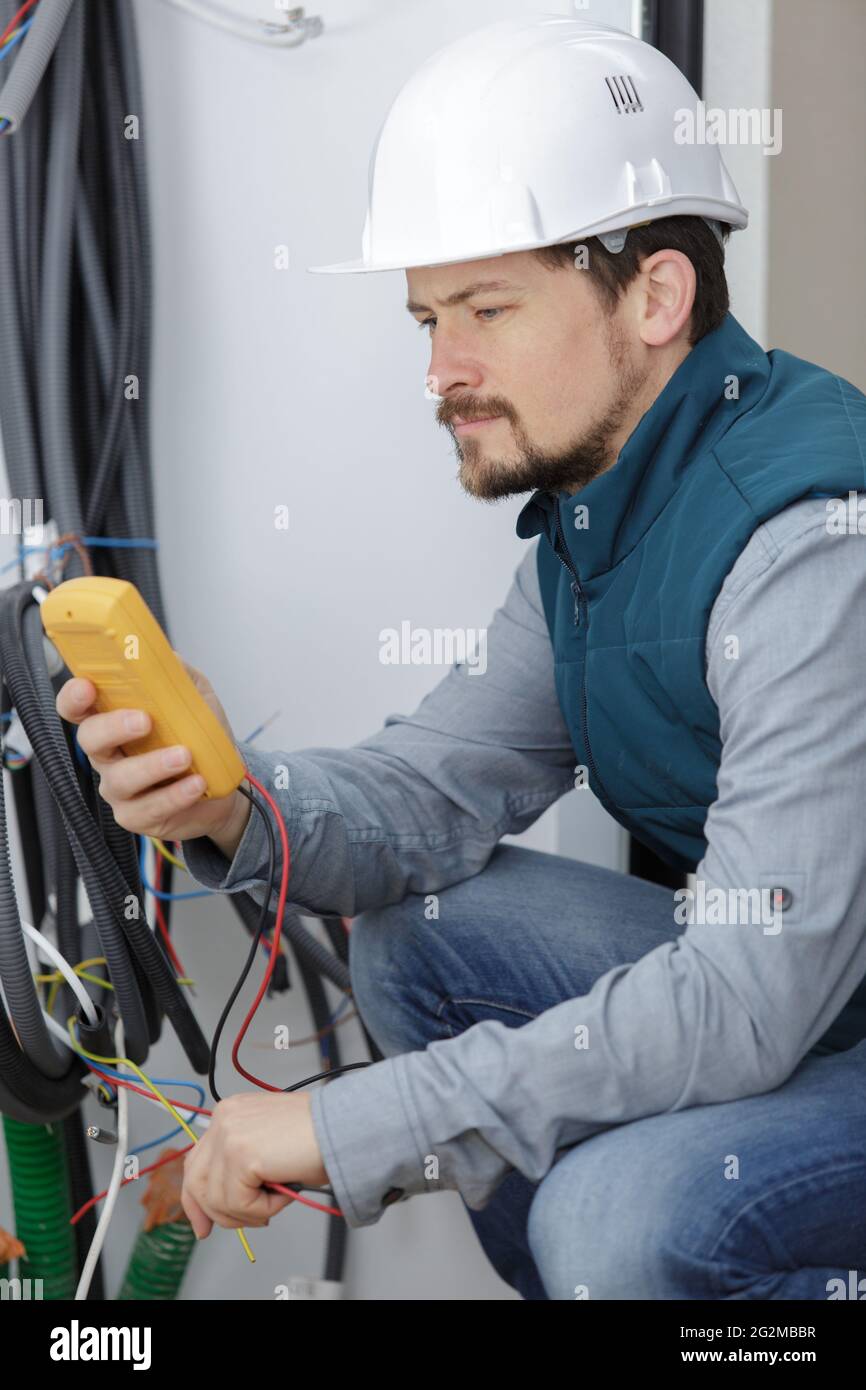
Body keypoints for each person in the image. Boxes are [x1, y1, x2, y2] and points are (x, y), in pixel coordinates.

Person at [56, 16, 866, 1299]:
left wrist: (347, 1122)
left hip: (797, 996)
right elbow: (430, 795)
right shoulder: (598, 523)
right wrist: (227, 794)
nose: (441, 370)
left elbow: (743, 1003)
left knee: (616, 1221)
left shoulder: (808, 548)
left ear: (653, 295)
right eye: (429, 316)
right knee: (423, 938)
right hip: (819, 988)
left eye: (487, 308)